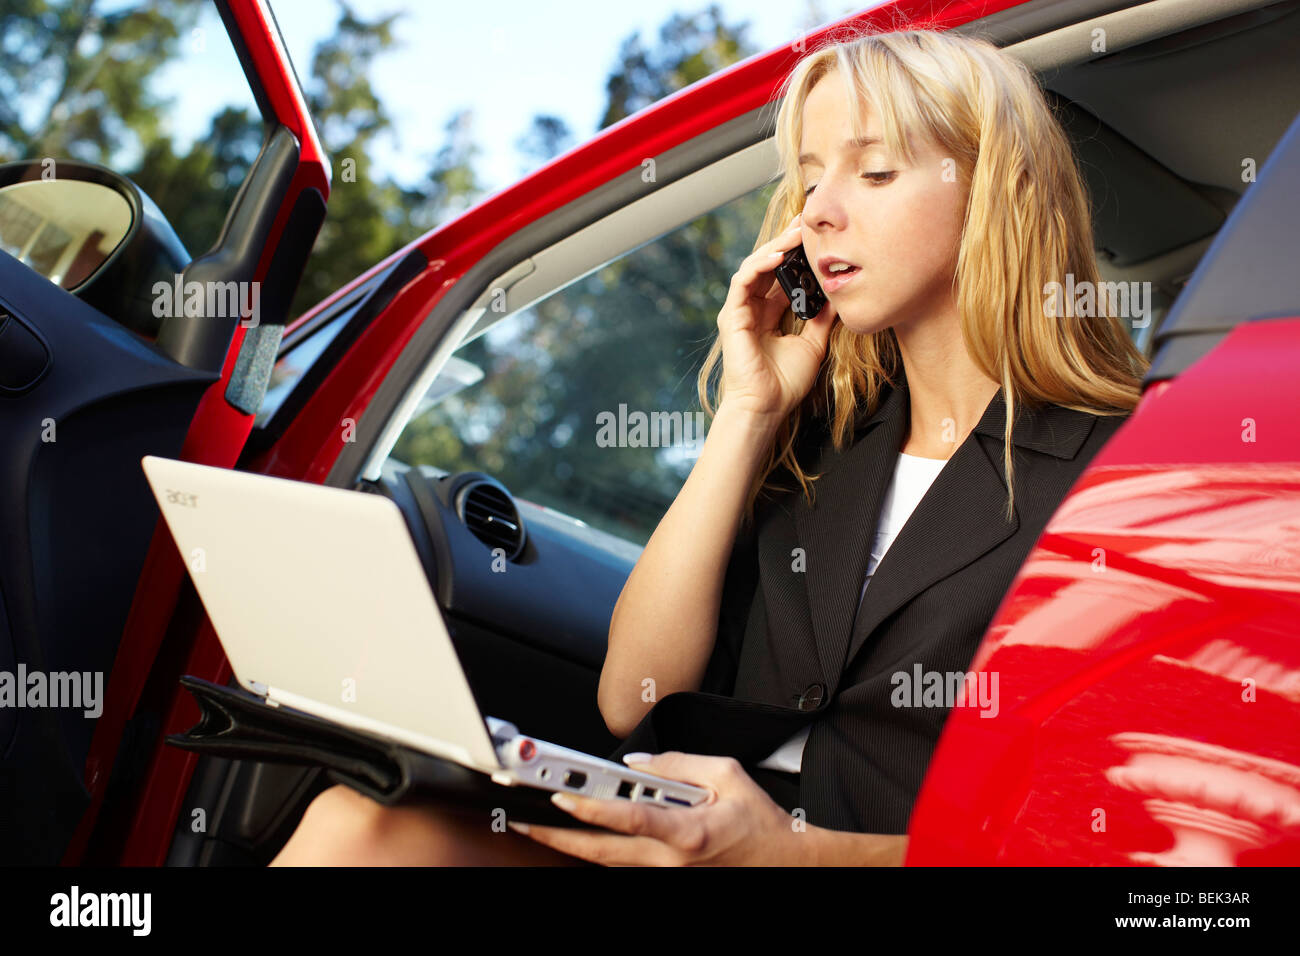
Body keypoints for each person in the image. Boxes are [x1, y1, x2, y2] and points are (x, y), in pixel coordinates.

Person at [270, 26, 1148, 866]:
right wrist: (748, 411)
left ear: (994, 189)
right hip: (684, 847)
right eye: (808, 181)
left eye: (875, 171)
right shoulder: (823, 438)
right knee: (357, 825)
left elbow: (1113, 846)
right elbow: (631, 697)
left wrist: (792, 858)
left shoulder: (1132, 478)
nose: (821, 214)